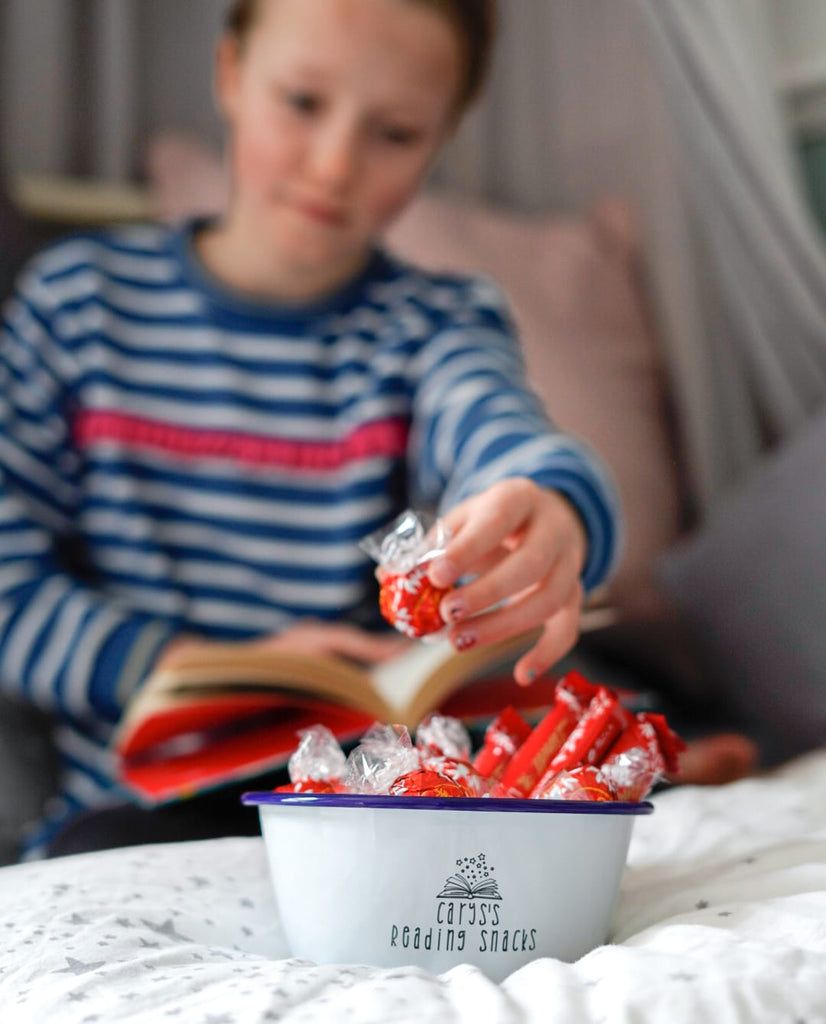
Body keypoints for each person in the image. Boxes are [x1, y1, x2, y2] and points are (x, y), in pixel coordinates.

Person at [0, 0, 731, 860]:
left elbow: (496, 426)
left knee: (542, 772)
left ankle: (662, 760)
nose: (334, 164)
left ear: (442, 138)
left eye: (395, 132)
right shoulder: (77, 304)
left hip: (370, 791)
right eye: (303, 103)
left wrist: (549, 506)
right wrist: (192, 668)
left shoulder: (435, 322)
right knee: (99, 854)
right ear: (231, 73)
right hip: (148, 798)